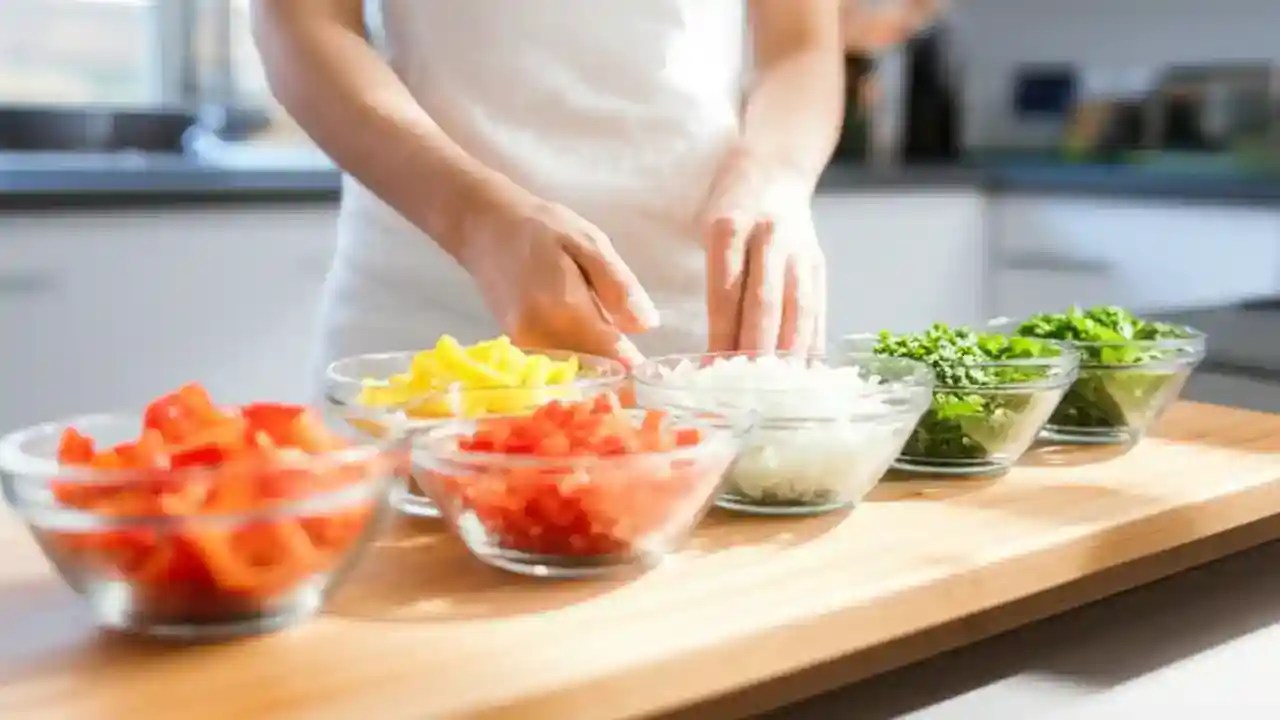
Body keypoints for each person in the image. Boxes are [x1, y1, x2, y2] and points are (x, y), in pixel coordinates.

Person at [252, 0, 843, 385]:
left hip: (705, 332)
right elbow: (301, 21)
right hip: (426, 332)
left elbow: (799, 47)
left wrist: (776, 176)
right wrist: (474, 222)